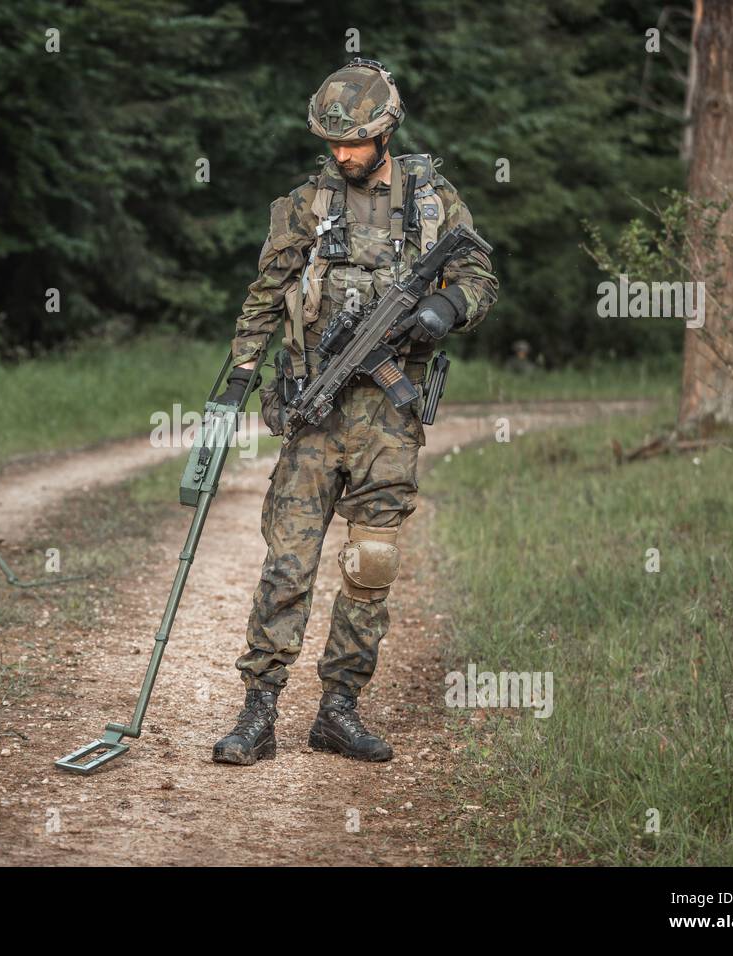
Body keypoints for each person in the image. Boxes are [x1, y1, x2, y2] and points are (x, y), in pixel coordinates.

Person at [212, 59, 498, 765]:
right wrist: (237, 378)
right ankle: (259, 710)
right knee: (287, 562)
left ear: (386, 130)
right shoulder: (305, 205)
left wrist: (444, 308)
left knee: (370, 565)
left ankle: (339, 709)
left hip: (389, 425)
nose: (342, 154)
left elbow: (480, 277)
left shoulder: (433, 203)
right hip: (314, 419)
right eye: (332, 142)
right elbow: (264, 292)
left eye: (355, 142)